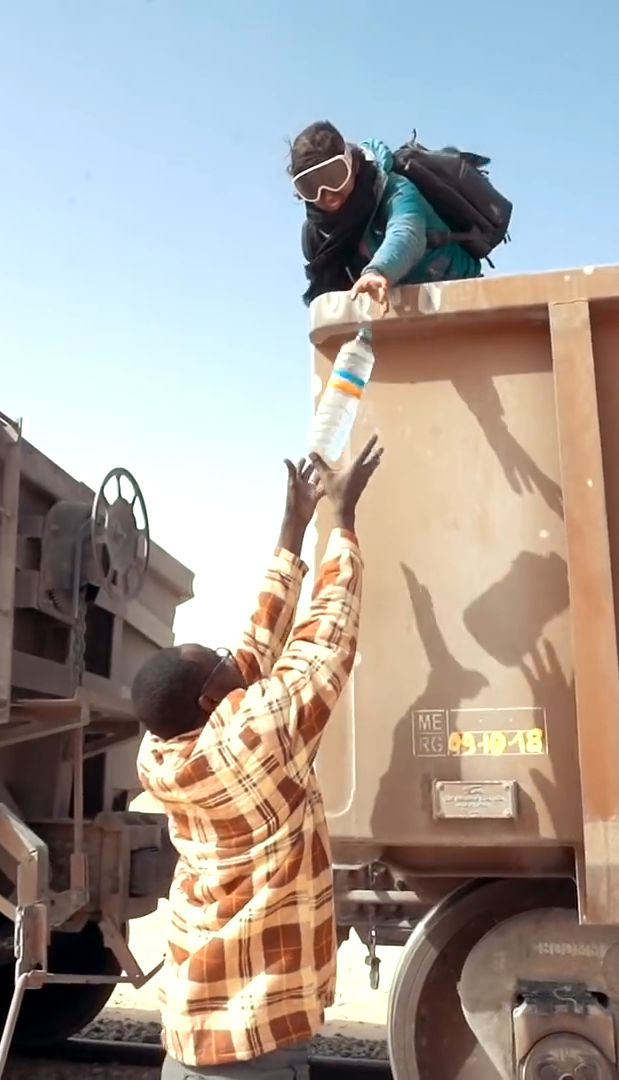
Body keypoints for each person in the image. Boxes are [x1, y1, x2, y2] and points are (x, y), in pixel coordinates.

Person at [132, 436, 385, 1080]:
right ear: (214, 695)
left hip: (191, 1035)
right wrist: (342, 520)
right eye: (220, 666)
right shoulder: (258, 733)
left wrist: (291, 532)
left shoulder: (161, 753)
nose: (234, 659)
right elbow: (326, 639)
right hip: (254, 1044)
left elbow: (250, 649)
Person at [290, 120, 484, 307]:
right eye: (310, 186)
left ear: (351, 163)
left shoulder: (394, 189)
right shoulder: (318, 237)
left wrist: (378, 271)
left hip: (458, 294)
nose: (327, 195)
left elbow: (407, 232)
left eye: (334, 176)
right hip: (393, 310)